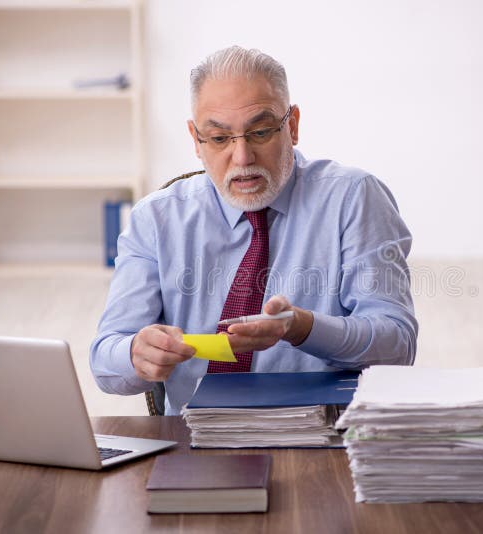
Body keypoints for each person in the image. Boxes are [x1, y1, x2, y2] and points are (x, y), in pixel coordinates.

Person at [90, 46, 417, 415]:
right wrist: (135, 353)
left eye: (260, 132)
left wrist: (302, 328)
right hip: (195, 436)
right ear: (195, 139)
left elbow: (397, 345)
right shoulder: (156, 219)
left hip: (320, 432)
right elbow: (104, 361)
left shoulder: (354, 198)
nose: (242, 157)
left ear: (292, 126)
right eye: (219, 138)